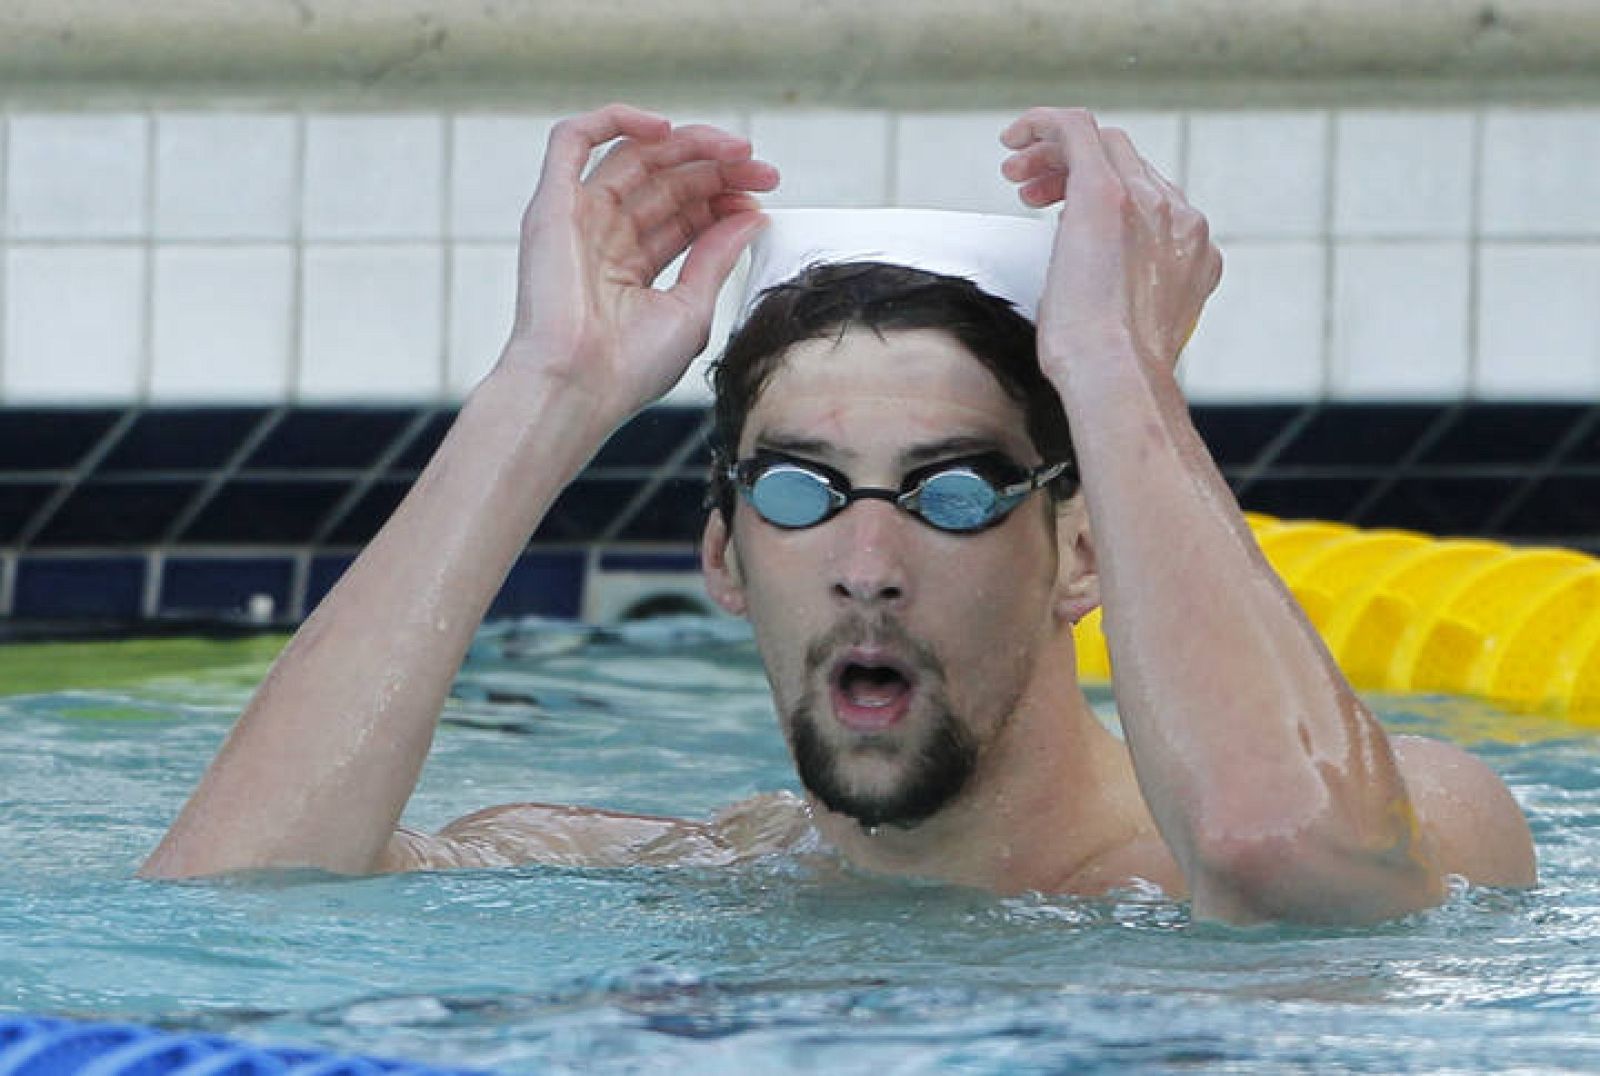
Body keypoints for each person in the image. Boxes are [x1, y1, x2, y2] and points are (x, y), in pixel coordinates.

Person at [141, 104, 1535, 925]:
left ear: (1083, 551)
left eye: (956, 491)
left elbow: (1282, 863)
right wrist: (541, 394)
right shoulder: (674, 878)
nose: (869, 566)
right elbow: (227, 915)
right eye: (801, 492)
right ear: (723, 557)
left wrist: (1117, 374)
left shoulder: (1426, 821)